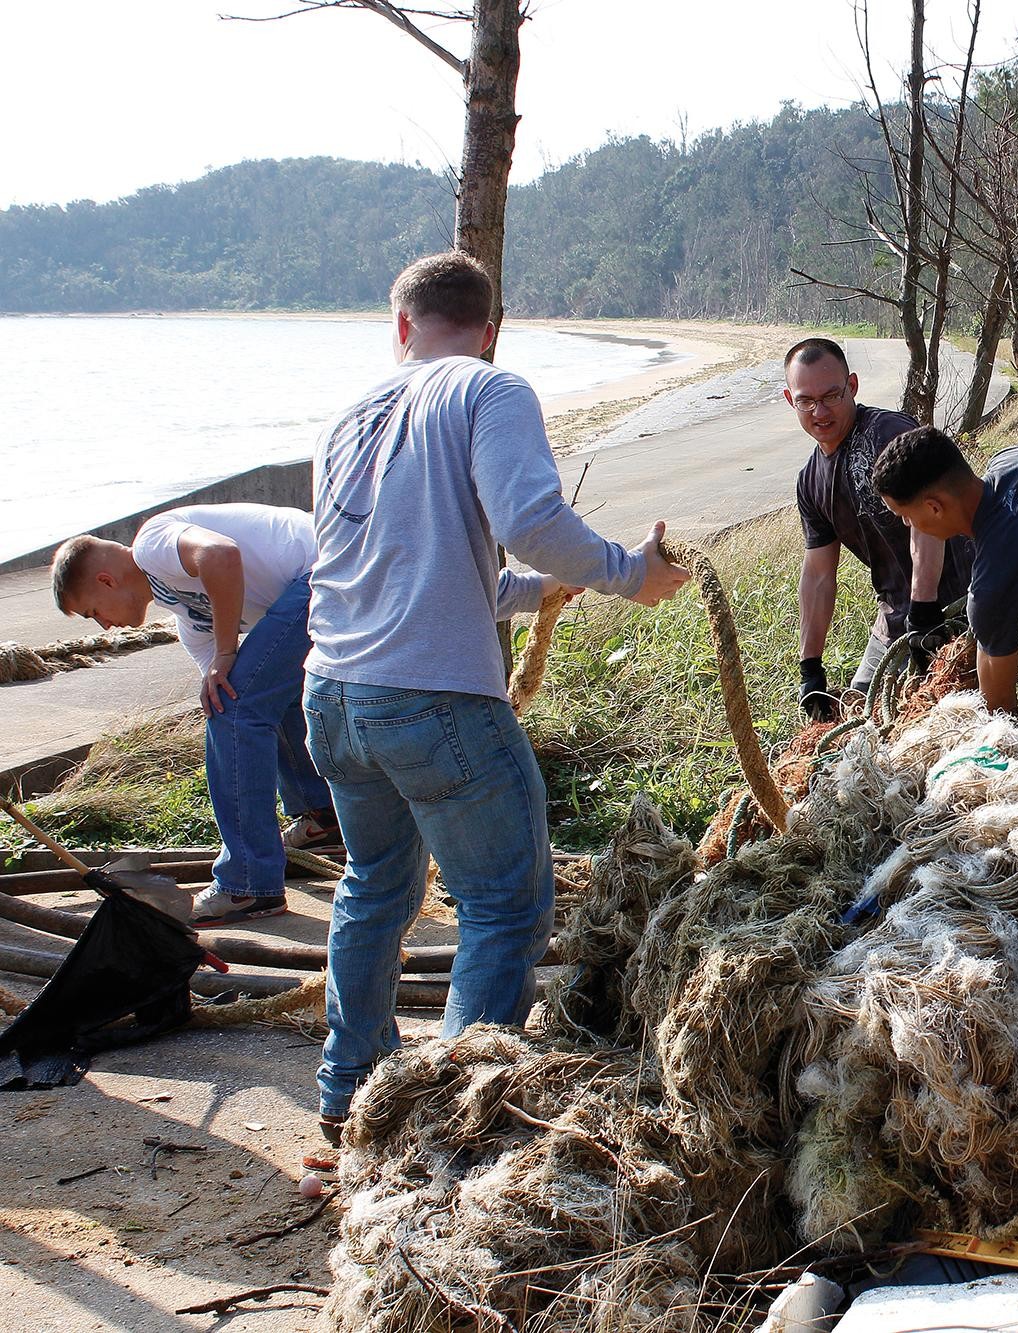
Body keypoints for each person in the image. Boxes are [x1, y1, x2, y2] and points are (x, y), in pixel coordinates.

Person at [304, 251, 690, 1148]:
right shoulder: (489, 389)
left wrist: (538, 590)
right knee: (503, 908)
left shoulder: (349, 417)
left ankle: (346, 1089)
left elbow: (407, 565)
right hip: (434, 700)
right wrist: (630, 574)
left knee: (375, 884)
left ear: (401, 327)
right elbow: (525, 518)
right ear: (490, 327)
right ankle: (451, 1128)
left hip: (333, 694)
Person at [50, 505, 338, 926]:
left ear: (106, 580)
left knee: (236, 708)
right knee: (240, 700)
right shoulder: (186, 611)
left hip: (327, 567)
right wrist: (221, 664)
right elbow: (223, 691)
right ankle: (322, 820)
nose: (105, 628)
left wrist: (226, 652)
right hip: (325, 576)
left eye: (95, 612)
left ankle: (247, 885)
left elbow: (221, 554)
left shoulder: (151, 544)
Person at [872, 424, 1018, 768]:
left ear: (935, 507)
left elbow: (1001, 711)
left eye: (906, 516)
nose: (909, 526)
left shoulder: (992, 584)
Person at [786, 337, 966, 719]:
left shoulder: (889, 434)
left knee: (947, 724)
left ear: (851, 386)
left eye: (831, 395)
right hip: (895, 618)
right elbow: (818, 576)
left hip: (957, 602)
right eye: (806, 401)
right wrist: (810, 668)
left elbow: (928, 523)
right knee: (860, 719)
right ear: (791, 400)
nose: (819, 411)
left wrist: (924, 608)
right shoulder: (810, 482)